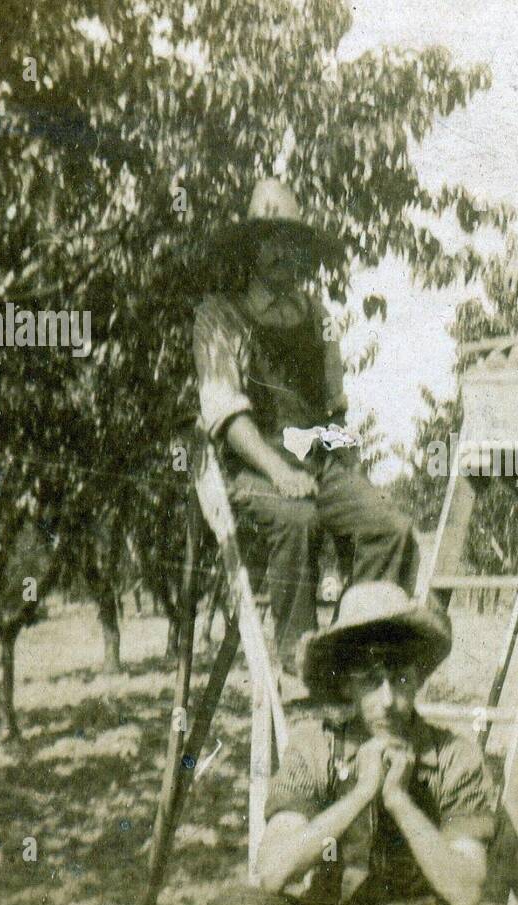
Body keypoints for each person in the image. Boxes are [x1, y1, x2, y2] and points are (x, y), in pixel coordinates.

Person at [192, 179, 417, 674]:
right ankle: (299, 659)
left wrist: (350, 466)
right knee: (298, 521)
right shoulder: (219, 317)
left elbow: (334, 411)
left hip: (316, 464)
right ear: (251, 248)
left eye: (288, 241)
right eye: (268, 240)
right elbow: (226, 413)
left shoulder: (319, 318)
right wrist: (278, 471)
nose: (279, 253)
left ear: (301, 251)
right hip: (252, 469)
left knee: (391, 530)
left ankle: (357, 643)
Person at [207, 581, 516, 905]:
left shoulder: (455, 756)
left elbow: (466, 892)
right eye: (370, 680)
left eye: (400, 680)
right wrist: (361, 793)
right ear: (345, 685)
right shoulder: (314, 746)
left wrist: (399, 801)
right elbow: (271, 873)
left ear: (418, 679)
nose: (387, 701)